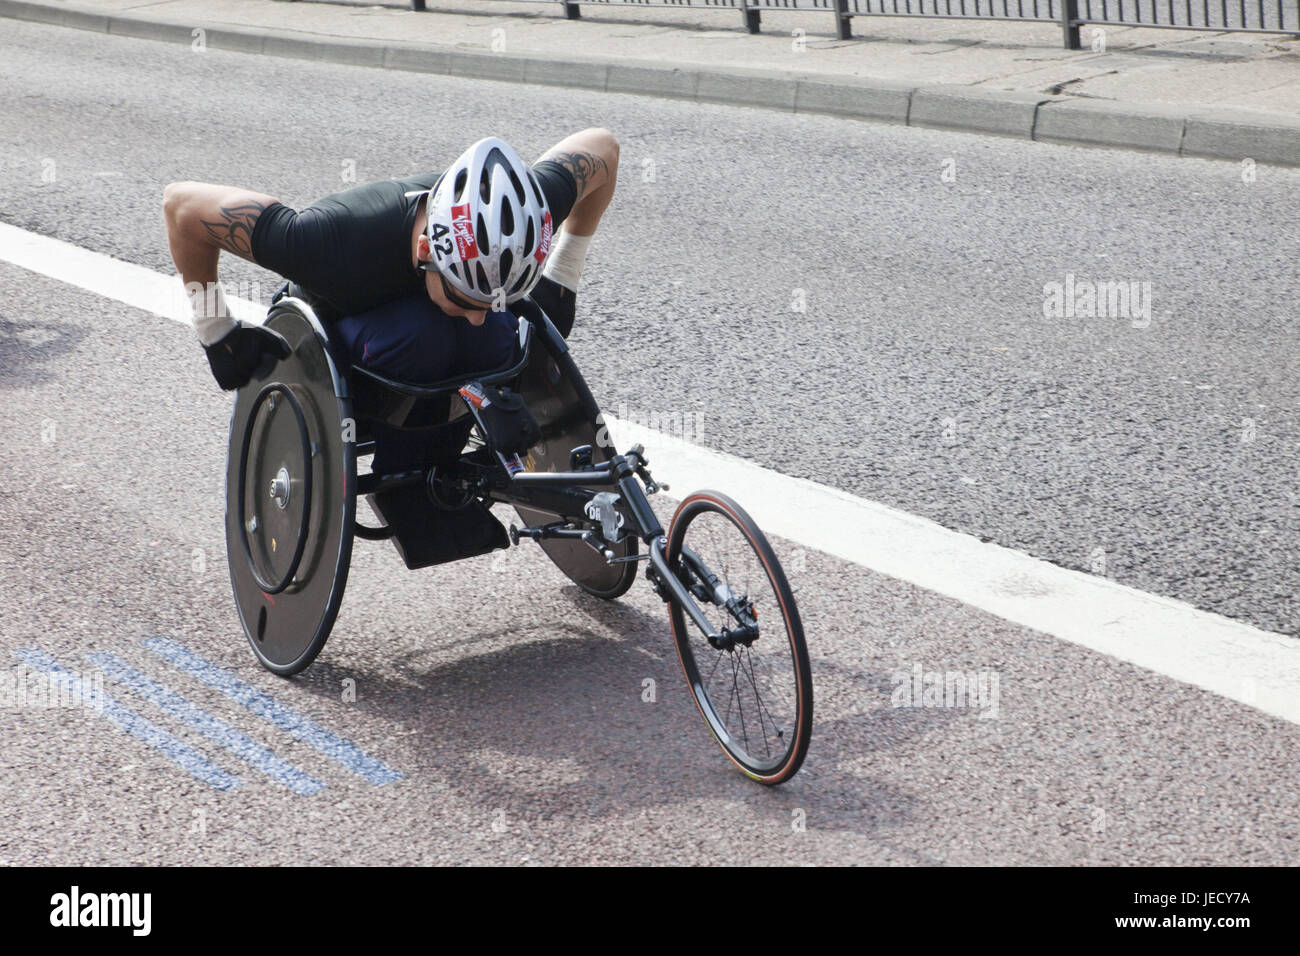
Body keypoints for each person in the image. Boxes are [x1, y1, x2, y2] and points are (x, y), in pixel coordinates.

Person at [162, 129, 619, 395]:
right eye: (468, 296)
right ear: (427, 252)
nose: (479, 316)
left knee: (497, 335)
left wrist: (561, 275)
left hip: (416, 308)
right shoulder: (320, 240)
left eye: (492, 298)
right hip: (346, 317)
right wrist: (216, 332)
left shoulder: (526, 211)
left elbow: (603, 146)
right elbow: (181, 207)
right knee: (430, 336)